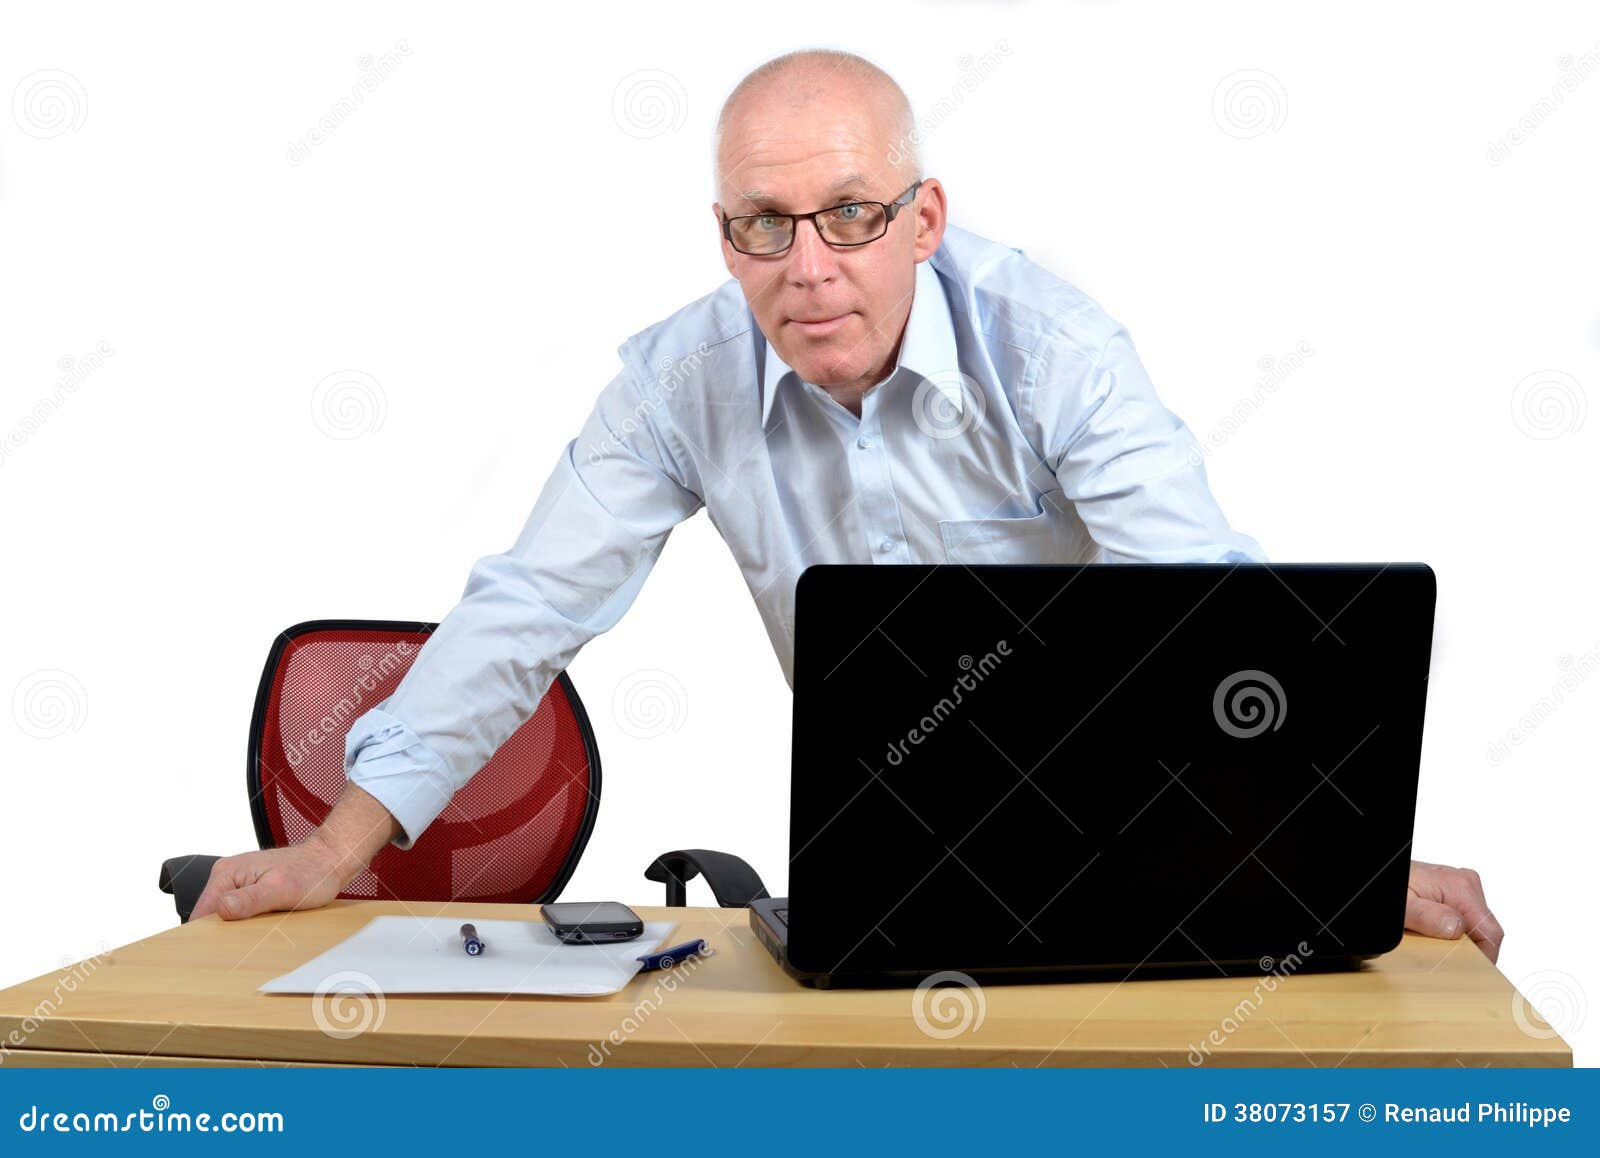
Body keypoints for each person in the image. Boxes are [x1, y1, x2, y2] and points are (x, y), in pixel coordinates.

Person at [190, 49, 1504, 964]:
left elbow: (1208, 607)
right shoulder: (676, 385)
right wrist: (336, 851)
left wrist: (1331, 856)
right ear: (726, 239)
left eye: (850, 216)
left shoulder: (1055, 352)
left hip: (1130, 841)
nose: (808, 268)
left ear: (923, 220)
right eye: (766, 225)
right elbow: (529, 606)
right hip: (881, 863)